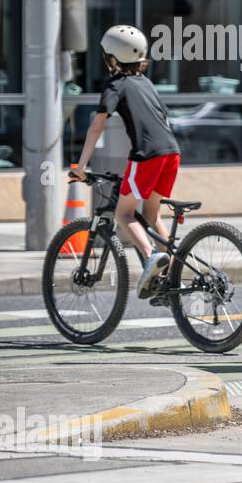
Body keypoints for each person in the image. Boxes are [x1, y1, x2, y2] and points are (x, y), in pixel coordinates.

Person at [70, 25, 182, 299]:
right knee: (151, 216)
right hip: (172, 153)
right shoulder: (146, 82)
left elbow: (97, 126)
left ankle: (151, 256)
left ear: (111, 58)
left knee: (123, 214)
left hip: (147, 156)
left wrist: (81, 167)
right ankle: (170, 272)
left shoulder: (115, 84)